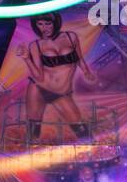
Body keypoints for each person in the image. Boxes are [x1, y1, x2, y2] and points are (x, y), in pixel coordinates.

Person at [15, 13, 97, 142]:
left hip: (61, 92)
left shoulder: (71, 37)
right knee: (33, 131)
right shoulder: (35, 45)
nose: (44, 28)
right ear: (36, 25)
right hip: (38, 89)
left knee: (80, 128)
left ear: (55, 23)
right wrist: (26, 58)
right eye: (40, 24)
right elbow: (39, 77)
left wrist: (86, 71)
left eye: (48, 23)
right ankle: (28, 158)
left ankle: (94, 155)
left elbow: (79, 58)